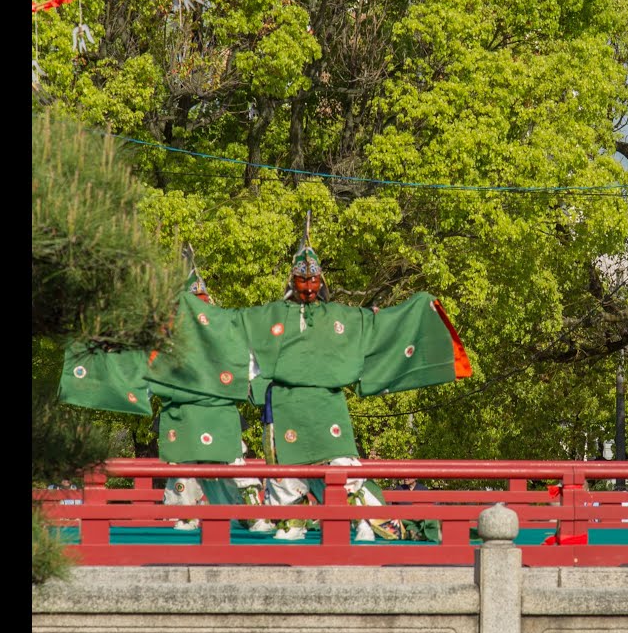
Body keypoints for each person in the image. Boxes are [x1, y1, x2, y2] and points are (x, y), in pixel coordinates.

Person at [148, 213, 473, 541]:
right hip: (283, 408)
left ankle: (369, 523)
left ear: (321, 281)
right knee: (283, 474)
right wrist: (189, 315)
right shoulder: (270, 317)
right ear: (292, 280)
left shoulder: (341, 318)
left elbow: (379, 326)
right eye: (302, 280)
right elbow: (229, 327)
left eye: (313, 280)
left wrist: (416, 309)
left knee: (344, 475)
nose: (308, 286)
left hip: (326, 409)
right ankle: (292, 521)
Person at [148, 251, 271, 533]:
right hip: (184, 415)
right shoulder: (165, 341)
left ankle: (250, 514)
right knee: (185, 470)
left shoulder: (228, 337)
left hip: (217, 414)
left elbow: (253, 369)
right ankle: (188, 517)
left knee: (231, 464)